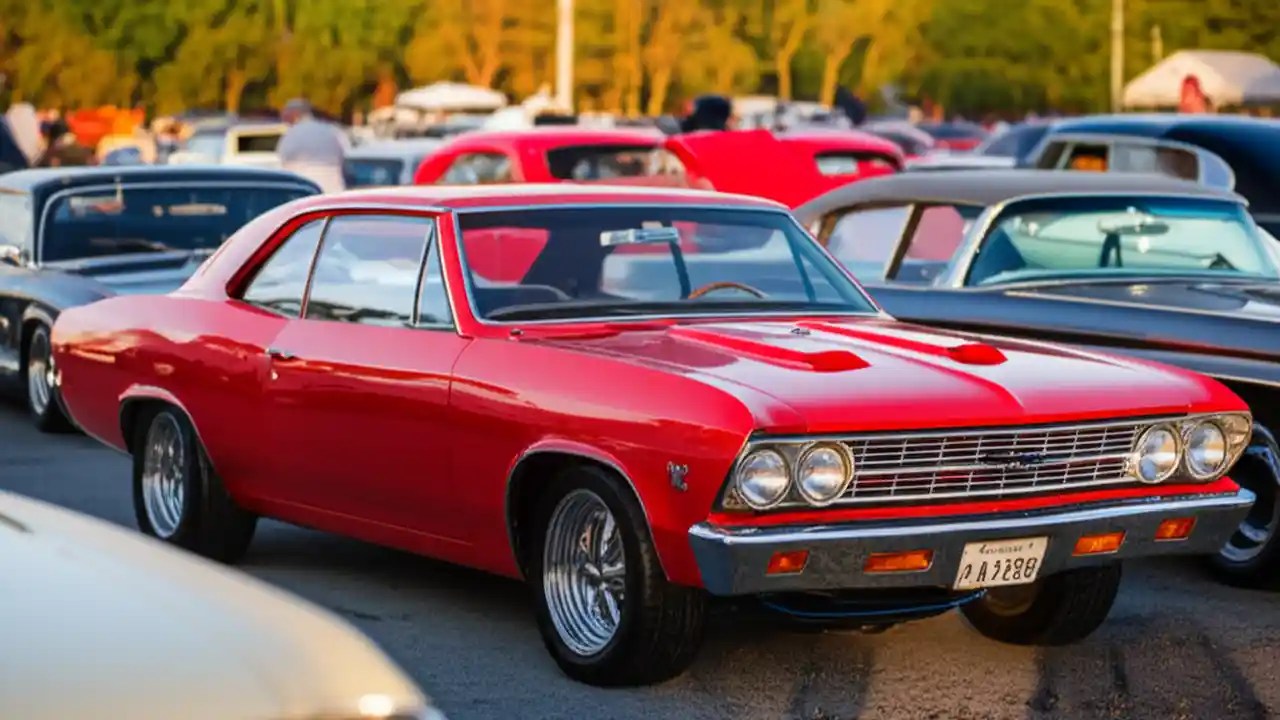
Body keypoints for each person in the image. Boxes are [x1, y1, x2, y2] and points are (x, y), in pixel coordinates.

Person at [276, 98, 347, 193]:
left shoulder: (292, 134)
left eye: (286, 114)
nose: (284, 118)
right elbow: (341, 156)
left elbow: (285, 162)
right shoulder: (330, 131)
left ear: (295, 113)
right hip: (335, 190)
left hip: (307, 190)